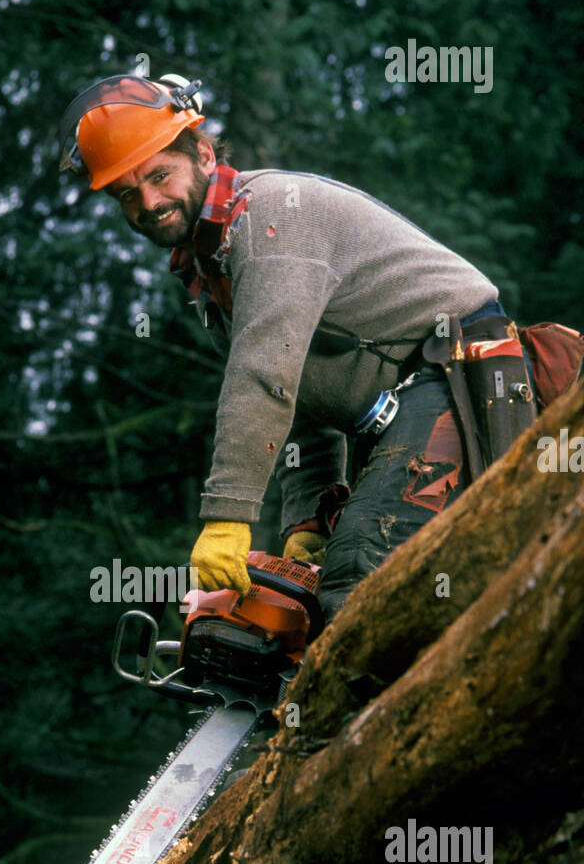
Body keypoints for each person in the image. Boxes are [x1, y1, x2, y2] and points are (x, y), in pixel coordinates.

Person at [59, 72, 513, 620]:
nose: (150, 202)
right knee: (329, 584)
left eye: (160, 175)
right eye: (128, 193)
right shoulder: (211, 265)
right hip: (408, 403)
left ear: (203, 154)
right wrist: (309, 519)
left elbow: (264, 375)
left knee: (361, 571)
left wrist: (227, 515)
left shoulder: (267, 216)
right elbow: (298, 394)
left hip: (461, 371)